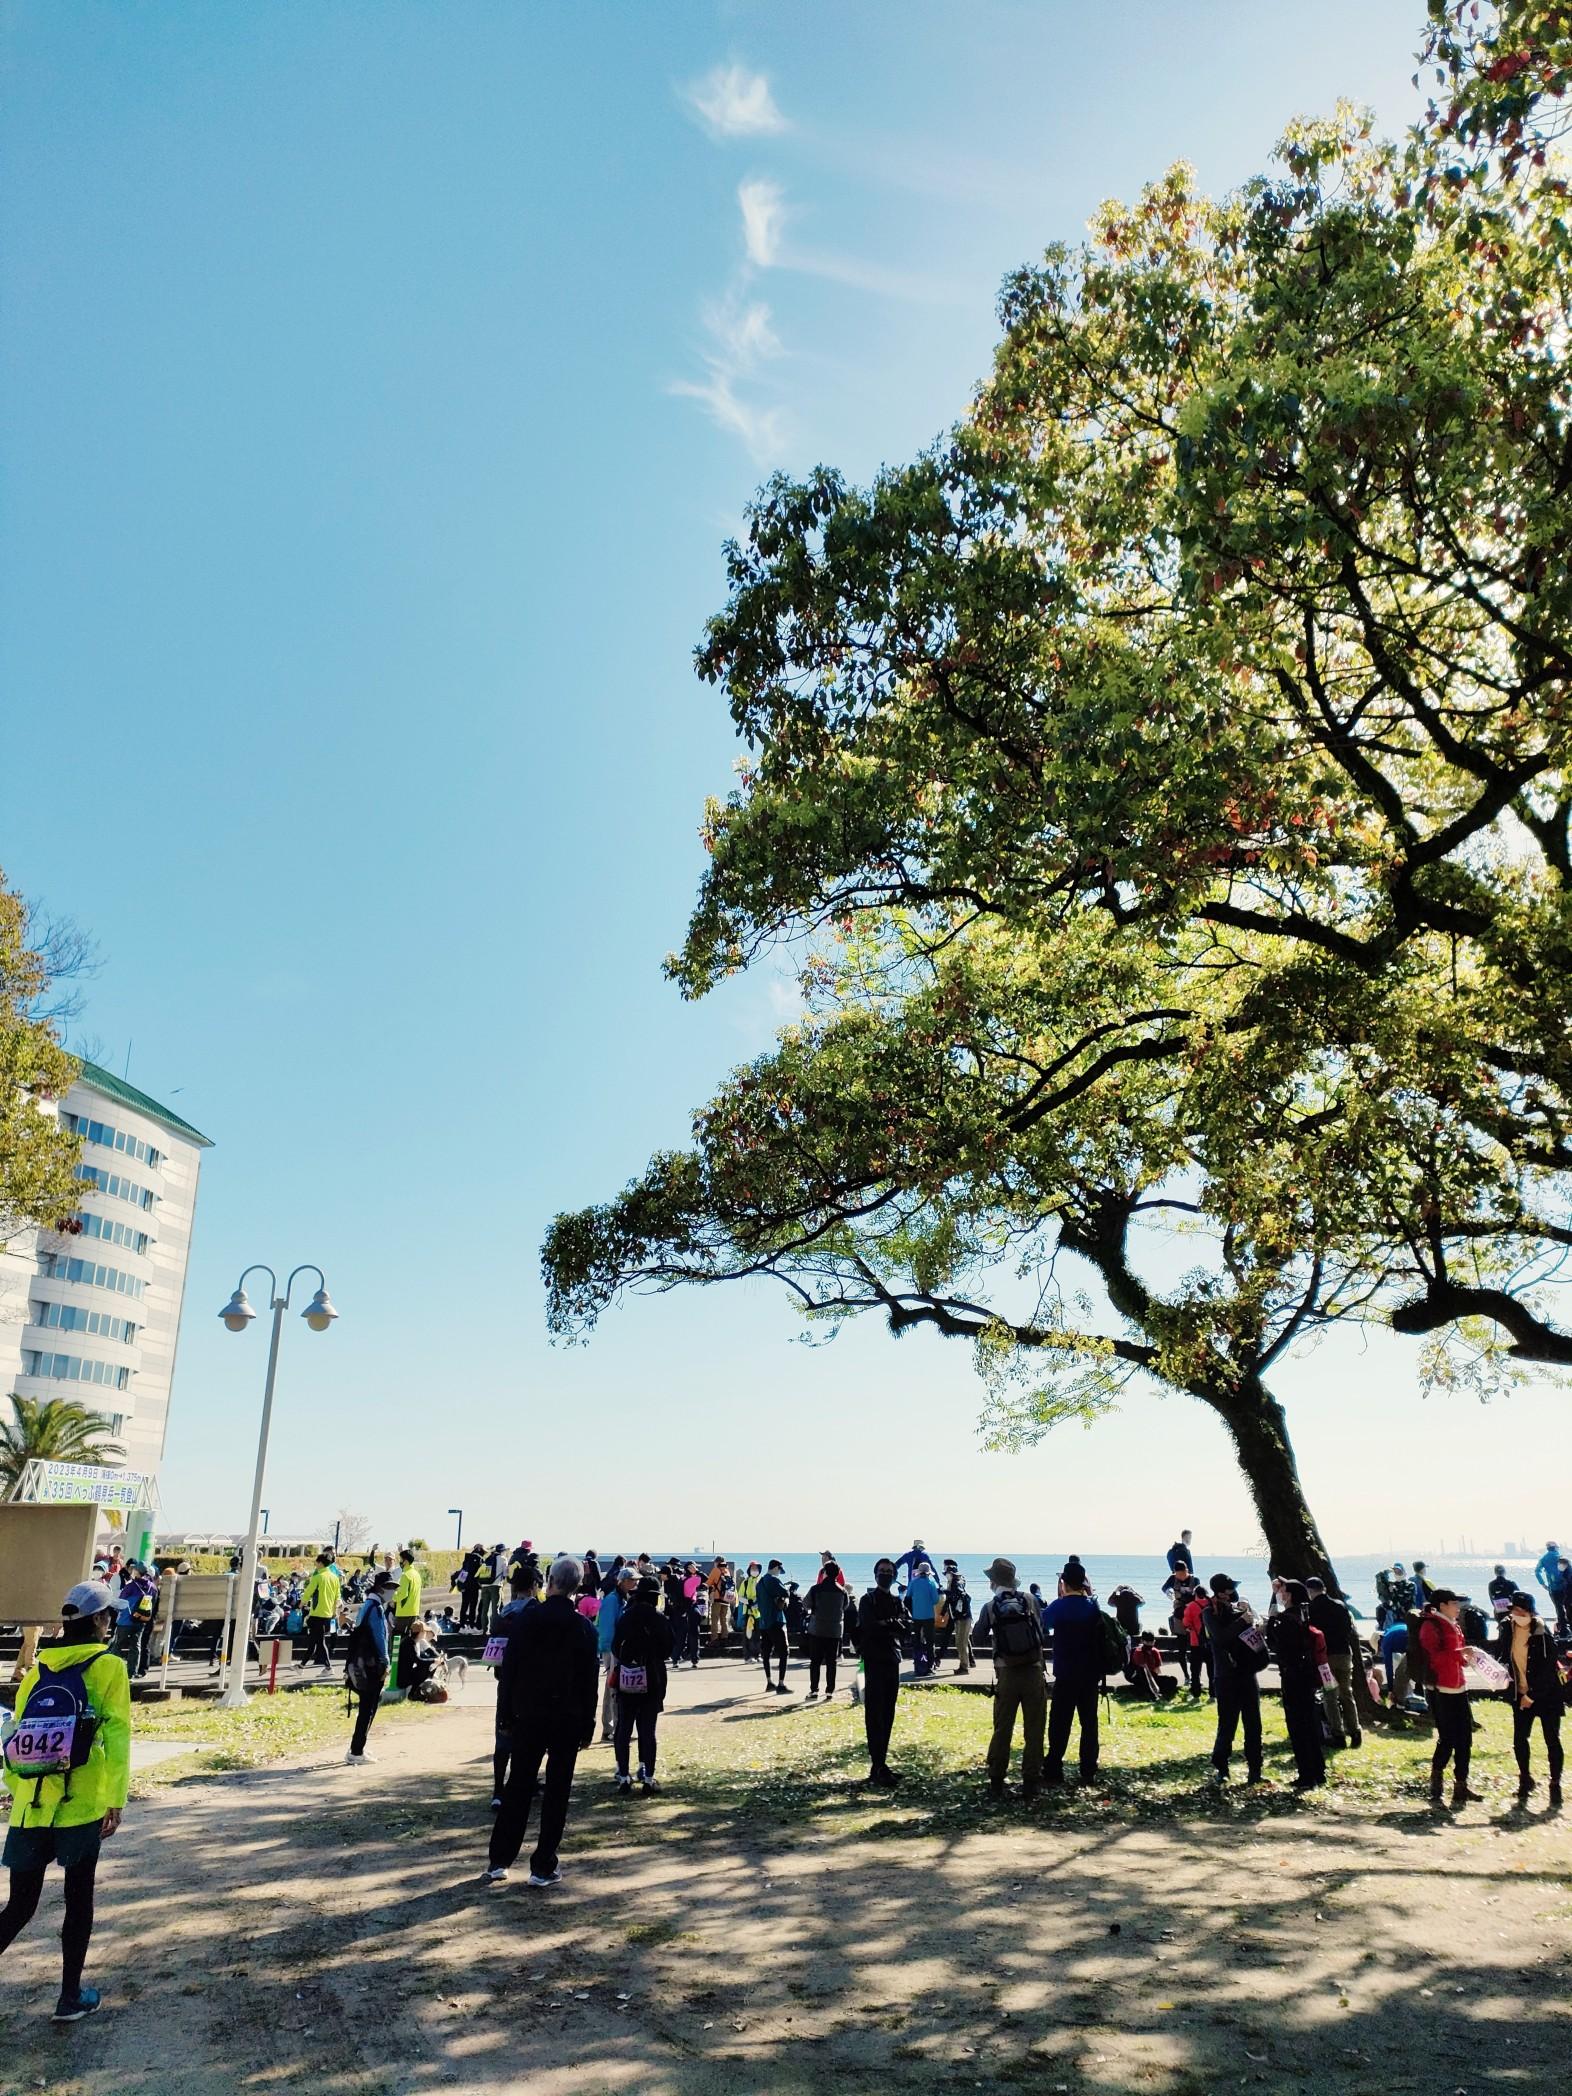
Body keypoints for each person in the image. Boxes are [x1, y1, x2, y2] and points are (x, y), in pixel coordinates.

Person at [0, 1580, 131, 2023]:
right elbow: (117, 1736)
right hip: (81, 1803)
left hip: (31, 1804)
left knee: (20, 1905)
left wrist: (20, 1794)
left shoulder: (37, 1671)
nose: (111, 1621)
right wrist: (115, 1798)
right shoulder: (109, 1666)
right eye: (109, 1615)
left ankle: (71, 1997)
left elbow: (16, 1739)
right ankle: (69, 1997)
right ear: (97, 1621)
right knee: (78, 1900)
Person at [485, 1555, 598, 1888]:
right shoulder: (583, 1627)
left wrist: (504, 1713)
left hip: (528, 1713)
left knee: (518, 1785)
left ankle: (499, 1859)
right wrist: (588, 1724)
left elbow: (510, 1672)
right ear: (578, 1586)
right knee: (557, 1791)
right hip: (567, 1716)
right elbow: (588, 1682)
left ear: (549, 1581)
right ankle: (543, 1864)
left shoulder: (526, 1621)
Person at [976, 1556, 1046, 1802]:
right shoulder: (1030, 1600)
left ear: (993, 1581)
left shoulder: (990, 1607)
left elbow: (977, 1637)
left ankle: (996, 1780)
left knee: (1003, 1727)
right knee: (1034, 1728)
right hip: (1034, 1670)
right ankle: (1031, 1782)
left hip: (1006, 1673)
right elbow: (1041, 1630)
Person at [610, 1574, 674, 1794]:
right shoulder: (659, 1619)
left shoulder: (626, 1617)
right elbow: (669, 1649)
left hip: (628, 1675)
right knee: (648, 1729)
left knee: (624, 1728)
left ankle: (624, 1776)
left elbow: (615, 1646)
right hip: (652, 1676)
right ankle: (648, 1777)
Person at [1417, 1588, 1481, 1808]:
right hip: (1441, 1689)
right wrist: (1459, 1654)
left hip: (1458, 1686)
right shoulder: (1431, 1625)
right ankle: (1436, 1783)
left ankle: (1461, 1785)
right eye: (1454, 1603)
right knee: (1448, 1737)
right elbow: (1434, 1657)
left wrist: (1466, 1658)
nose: (1458, 1608)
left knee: (1465, 1739)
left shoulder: (1452, 1624)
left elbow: (1458, 1656)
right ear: (1442, 1605)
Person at [1041, 1565, 1103, 1787]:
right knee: (1089, 1723)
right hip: (1090, 1673)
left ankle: (1053, 1769)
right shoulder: (1092, 1606)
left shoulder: (1059, 1606)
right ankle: (1088, 1769)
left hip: (1066, 1673)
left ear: (1064, 1584)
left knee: (1059, 1723)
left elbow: (1042, 1626)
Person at [1502, 1591, 1564, 1805]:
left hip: (1546, 1695)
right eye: (1513, 1610)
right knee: (1520, 1739)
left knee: (1552, 1739)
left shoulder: (1541, 1632)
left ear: (1530, 1611)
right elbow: (1503, 1655)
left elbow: (1548, 1670)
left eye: (1520, 1611)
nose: (1516, 1614)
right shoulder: (1506, 1628)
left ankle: (1555, 1784)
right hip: (1519, 1693)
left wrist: (1531, 1695)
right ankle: (1525, 1778)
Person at [1266, 1580, 1328, 1792]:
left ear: (1290, 1595)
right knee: (1311, 1723)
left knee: (1298, 1725)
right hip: (1308, 1674)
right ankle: (1318, 1771)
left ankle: (1306, 1774)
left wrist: (1272, 1617)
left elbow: (1273, 1642)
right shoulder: (1305, 1615)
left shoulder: (1285, 1620)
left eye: (1282, 1591)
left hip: (1293, 1676)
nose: (1280, 1594)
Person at [1204, 1574, 1265, 1785]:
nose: (1232, 1594)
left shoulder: (1239, 1612)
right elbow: (1220, 1638)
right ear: (1220, 1592)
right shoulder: (1209, 1613)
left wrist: (1256, 1629)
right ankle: (1221, 1766)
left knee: (1253, 1725)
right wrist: (1241, 1622)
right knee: (1227, 1724)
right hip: (1226, 1677)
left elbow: (1252, 1641)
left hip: (1247, 1674)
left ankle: (1255, 1768)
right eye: (1229, 1590)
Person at [854, 1559, 910, 1786]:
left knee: (888, 1713)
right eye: (882, 1571)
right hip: (874, 1660)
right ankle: (877, 1764)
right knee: (874, 1713)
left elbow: (907, 1626)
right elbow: (869, 1626)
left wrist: (886, 1623)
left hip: (892, 1660)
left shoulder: (897, 1601)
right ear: (875, 1574)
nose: (885, 1574)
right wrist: (890, 1625)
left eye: (889, 1571)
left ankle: (882, 1764)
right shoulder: (868, 1600)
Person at [344, 1569, 396, 1764]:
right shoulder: (376, 1608)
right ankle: (356, 1751)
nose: (392, 1591)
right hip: (371, 1665)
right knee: (368, 1708)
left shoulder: (368, 1605)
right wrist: (385, 1662)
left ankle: (357, 1748)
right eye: (389, 1587)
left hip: (360, 1664)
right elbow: (379, 1638)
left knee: (366, 1707)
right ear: (379, 1588)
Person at [1306, 1577, 1362, 1748]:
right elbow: (1348, 1628)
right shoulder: (1340, 1605)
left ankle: (1338, 1734)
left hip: (1326, 1657)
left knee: (1330, 1695)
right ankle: (1355, 1731)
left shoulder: (1312, 1609)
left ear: (1310, 1590)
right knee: (1347, 1692)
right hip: (1344, 1653)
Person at [597, 1562, 638, 1744]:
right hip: (612, 1649)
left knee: (612, 1688)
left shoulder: (622, 1599)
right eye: (632, 1580)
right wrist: (610, 1650)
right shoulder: (612, 1600)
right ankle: (613, 1728)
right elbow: (606, 1627)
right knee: (614, 1688)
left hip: (617, 1648)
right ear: (622, 1582)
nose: (634, 1584)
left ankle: (610, 1728)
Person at [806, 1561, 852, 1699]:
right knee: (831, 1662)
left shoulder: (815, 1589)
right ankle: (829, 1690)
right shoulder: (842, 1591)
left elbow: (806, 1604)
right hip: (835, 1630)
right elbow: (845, 1606)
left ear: (824, 1573)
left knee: (815, 1661)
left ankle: (814, 1690)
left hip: (817, 1629)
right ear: (837, 1574)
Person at [300, 1550, 342, 1671]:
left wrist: (301, 1603)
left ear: (321, 1563)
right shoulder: (335, 1578)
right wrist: (335, 1610)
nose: (315, 1565)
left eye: (316, 1562)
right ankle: (301, 1665)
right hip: (329, 1614)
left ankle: (328, 1667)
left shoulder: (317, 1577)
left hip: (317, 1613)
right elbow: (337, 1596)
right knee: (315, 1641)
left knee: (319, 1641)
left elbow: (309, 1592)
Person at [755, 1559, 791, 1695]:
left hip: (764, 1622)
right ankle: (781, 1684)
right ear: (776, 1568)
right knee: (784, 1652)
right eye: (779, 1571)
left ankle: (769, 1681)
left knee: (766, 1653)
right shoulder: (774, 1580)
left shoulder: (760, 1582)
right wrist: (787, 1590)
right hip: (776, 1620)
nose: (779, 1573)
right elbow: (785, 1593)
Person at [938, 1560, 974, 1674]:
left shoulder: (955, 1584)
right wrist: (943, 1612)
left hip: (962, 1617)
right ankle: (966, 1663)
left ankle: (964, 1667)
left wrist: (944, 1591)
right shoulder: (959, 1581)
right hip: (961, 1616)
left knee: (961, 1643)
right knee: (960, 1642)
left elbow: (954, 1595)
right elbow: (950, 1600)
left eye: (947, 1574)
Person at [1180, 1585, 1214, 1701]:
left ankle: (1196, 1695)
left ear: (1195, 1594)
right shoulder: (1212, 1604)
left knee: (1195, 1670)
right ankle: (1213, 1695)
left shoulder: (1191, 1606)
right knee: (1212, 1669)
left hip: (1196, 1642)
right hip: (1211, 1642)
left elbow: (1186, 1622)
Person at [906, 1560, 939, 1671]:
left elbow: (908, 1596)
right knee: (930, 1642)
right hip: (929, 1616)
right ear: (929, 1573)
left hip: (916, 1616)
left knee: (917, 1642)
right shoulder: (931, 1583)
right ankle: (930, 1665)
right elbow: (935, 1600)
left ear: (919, 1572)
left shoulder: (913, 1582)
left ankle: (917, 1664)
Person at [1126, 1629, 1174, 1701]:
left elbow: (1157, 1670)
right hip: (1137, 1676)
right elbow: (1143, 1669)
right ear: (1142, 1641)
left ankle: (1153, 1691)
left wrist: (1155, 1680)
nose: (1149, 1644)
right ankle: (1152, 1695)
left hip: (1152, 1675)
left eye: (1151, 1642)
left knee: (1172, 1680)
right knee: (1143, 1670)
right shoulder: (1138, 1652)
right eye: (1147, 1642)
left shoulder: (1155, 1652)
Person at [393, 1549, 424, 1656]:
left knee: (398, 1639)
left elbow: (402, 1594)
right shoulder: (416, 1574)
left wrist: (392, 1596)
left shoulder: (405, 1575)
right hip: (414, 1611)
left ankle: (397, 1665)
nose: (400, 1562)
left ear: (405, 1561)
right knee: (411, 1640)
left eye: (401, 1559)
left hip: (403, 1613)